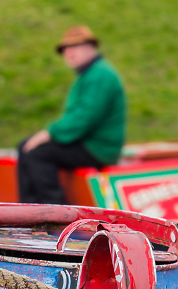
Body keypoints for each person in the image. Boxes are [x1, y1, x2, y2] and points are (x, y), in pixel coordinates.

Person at [18, 25, 126, 204]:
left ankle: (54, 212)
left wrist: (49, 133)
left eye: (74, 47)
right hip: (87, 142)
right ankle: (29, 208)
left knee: (37, 152)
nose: (68, 53)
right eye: (65, 49)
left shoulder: (100, 75)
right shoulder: (90, 74)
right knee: (26, 147)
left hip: (98, 148)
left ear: (91, 47)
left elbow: (84, 117)